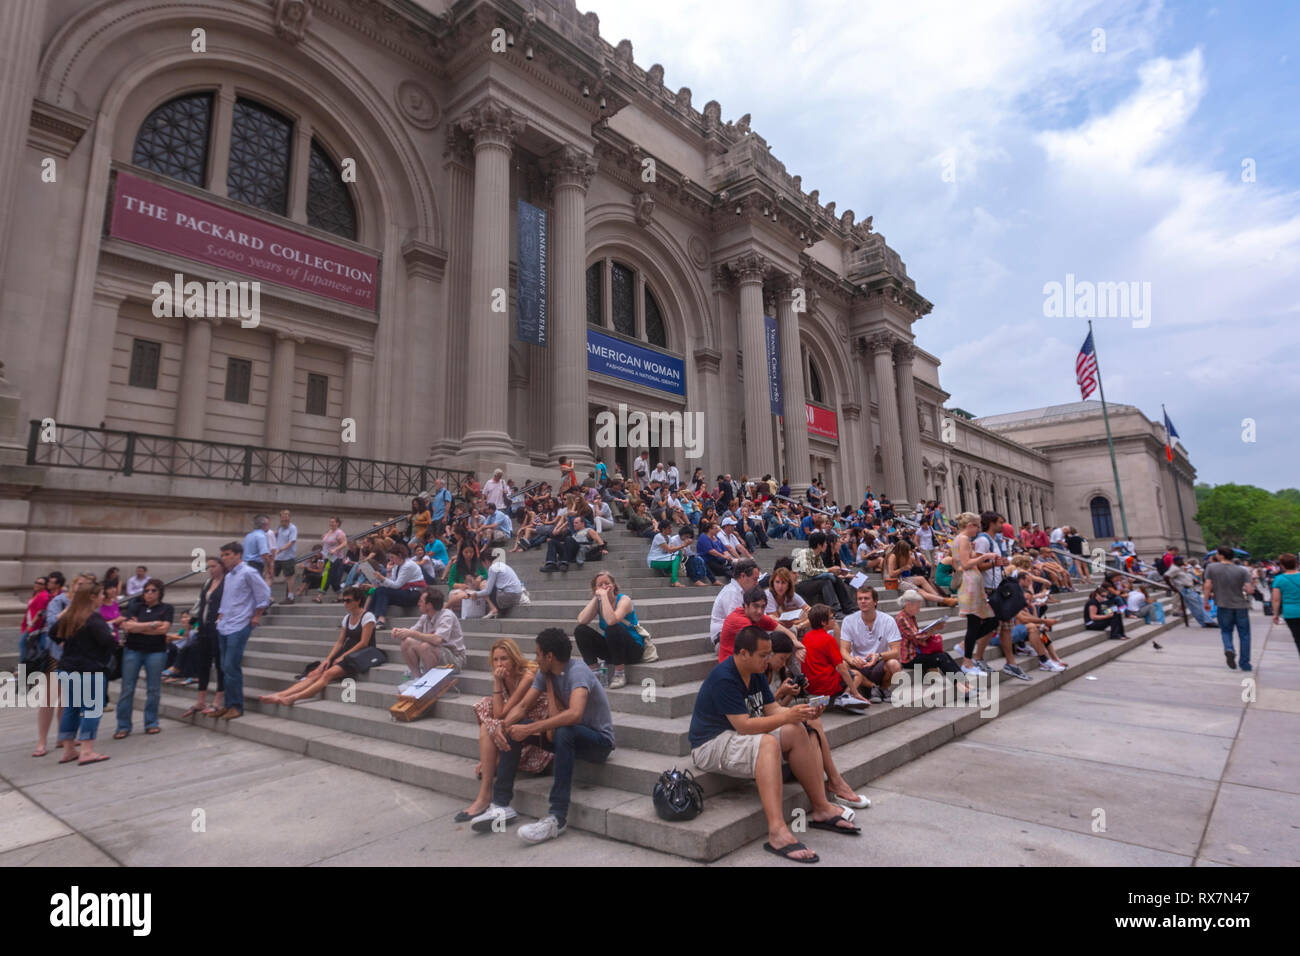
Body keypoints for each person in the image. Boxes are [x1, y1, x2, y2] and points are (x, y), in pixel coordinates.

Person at [689, 626, 859, 864]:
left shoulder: (756, 672)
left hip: (737, 737)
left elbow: (774, 710)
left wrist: (800, 713)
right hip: (710, 745)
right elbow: (745, 726)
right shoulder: (724, 677)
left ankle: (821, 807)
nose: (768, 660)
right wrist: (786, 717)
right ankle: (777, 831)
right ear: (743, 653)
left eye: (769, 654)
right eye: (763, 655)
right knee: (768, 743)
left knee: (798, 729)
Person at [470, 628, 616, 844]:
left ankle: (557, 817)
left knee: (563, 730)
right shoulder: (545, 672)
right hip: (562, 737)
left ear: (549, 656)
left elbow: (574, 714)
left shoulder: (578, 672)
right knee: (515, 728)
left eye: (538, 653)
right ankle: (501, 805)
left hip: (597, 743)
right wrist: (502, 726)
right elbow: (522, 707)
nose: (535, 658)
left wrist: (530, 729)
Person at [457, 639, 554, 821]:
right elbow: (498, 712)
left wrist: (497, 681)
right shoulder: (504, 676)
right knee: (486, 709)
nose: (500, 664)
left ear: (515, 658)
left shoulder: (527, 675)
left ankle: (487, 793)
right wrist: (499, 682)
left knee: (490, 724)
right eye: (495, 660)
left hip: (532, 728)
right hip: (512, 724)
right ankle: (486, 791)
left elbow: (501, 714)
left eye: (504, 659)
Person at [262, 586, 380, 706]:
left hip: (360, 654)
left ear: (358, 601)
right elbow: (340, 642)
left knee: (327, 675)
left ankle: (293, 698)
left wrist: (343, 656)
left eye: (348, 600)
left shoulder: (368, 616)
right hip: (347, 651)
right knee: (315, 673)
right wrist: (328, 659)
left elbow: (364, 643)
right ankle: (281, 694)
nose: (345, 603)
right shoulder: (347, 618)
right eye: (344, 600)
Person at [54, 581, 115, 766]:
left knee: (71, 708)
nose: (103, 597)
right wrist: (112, 637)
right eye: (101, 594)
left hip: (67, 668)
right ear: (92, 597)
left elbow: (52, 634)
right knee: (91, 709)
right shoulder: (93, 618)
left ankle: (68, 749)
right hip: (89, 669)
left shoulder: (69, 616)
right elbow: (107, 642)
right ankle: (87, 751)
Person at [214, 540, 272, 719]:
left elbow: (264, 594)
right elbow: (227, 599)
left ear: (238, 555)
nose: (224, 558)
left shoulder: (249, 572)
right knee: (224, 667)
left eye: (227, 555)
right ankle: (228, 704)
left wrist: (257, 616)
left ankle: (236, 706)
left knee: (231, 666)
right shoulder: (229, 575)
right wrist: (220, 616)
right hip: (225, 625)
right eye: (223, 555)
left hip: (240, 625)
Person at [113, 577, 175, 738]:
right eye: (146, 590)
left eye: (153, 590)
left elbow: (163, 630)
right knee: (127, 688)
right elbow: (127, 627)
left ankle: (151, 722)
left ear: (160, 592)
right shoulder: (135, 607)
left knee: (153, 689)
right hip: (133, 650)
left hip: (156, 652)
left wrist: (138, 627)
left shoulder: (166, 608)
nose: (149, 593)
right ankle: (123, 725)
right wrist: (152, 624)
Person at [574, 572, 647, 689]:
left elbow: (611, 621)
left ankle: (619, 674)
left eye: (607, 583)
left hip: (632, 650)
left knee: (612, 628)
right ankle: (595, 673)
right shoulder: (598, 602)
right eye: (600, 585)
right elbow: (581, 620)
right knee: (581, 630)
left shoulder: (624, 600)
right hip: (614, 649)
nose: (604, 587)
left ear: (614, 585)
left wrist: (603, 597)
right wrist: (596, 597)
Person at [840, 586, 903, 701]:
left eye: (866, 598)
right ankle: (873, 687)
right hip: (859, 664)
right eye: (860, 599)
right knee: (842, 663)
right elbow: (843, 650)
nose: (863, 601)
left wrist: (879, 656)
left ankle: (884, 688)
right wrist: (852, 660)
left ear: (875, 601)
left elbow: (896, 651)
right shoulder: (848, 620)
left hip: (878, 663)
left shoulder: (888, 620)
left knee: (894, 664)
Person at [800, 604, 870, 706]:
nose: (834, 620)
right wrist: (856, 692)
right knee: (857, 675)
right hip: (826, 685)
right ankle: (845, 696)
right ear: (823, 622)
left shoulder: (806, 637)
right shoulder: (828, 639)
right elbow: (841, 667)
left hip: (810, 686)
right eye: (832, 618)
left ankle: (871, 687)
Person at [391, 588, 466, 677]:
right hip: (436, 653)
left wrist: (412, 633)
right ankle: (417, 678)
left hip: (455, 659)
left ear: (429, 605)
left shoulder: (447, 616)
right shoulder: (425, 617)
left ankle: (432, 683)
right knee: (406, 642)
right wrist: (399, 631)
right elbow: (412, 632)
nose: (418, 604)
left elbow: (437, 639)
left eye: (421, 601)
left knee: (425, 646)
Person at [1204, 546, 1253, 671]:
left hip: (1223, 604)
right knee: (1245, 635)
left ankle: (1229, 648)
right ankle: (1245, 663)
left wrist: (1206, 601)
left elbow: (1207, 585)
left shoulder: (1211, 568)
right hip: (1240, 605)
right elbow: (1249, 589)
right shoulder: (1242, 570)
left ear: (1220, 555)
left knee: (1226, 631)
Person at [370, 543, 426, 626]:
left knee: (382, 591)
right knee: (378, 591)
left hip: (413, 594)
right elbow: (392, 581)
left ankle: (380, 618)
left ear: (399, 555)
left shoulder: (408, 565)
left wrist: (382, 578)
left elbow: (397, 585)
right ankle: (369, 616)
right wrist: (388, 572)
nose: (391, 560)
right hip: (404, 592)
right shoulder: (397, 565)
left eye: (392, 557)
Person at [710, 560, 760, 651]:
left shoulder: (742, 591)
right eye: (755, 579)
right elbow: (736, 623)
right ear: (743, 576)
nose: (757, 583)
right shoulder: (731, 592)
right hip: (724, 639)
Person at [463, 555, 526, 619]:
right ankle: (494, 609)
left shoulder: (492, 568)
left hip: (508, 596)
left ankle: (493, 609)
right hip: (517, 596)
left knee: (483, 585)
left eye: (482, 564)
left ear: (486, 561)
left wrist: (475, 594)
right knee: (486, 584)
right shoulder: (501, 564)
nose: (483, 567)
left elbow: (487, 591)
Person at [1270, 553, 1300, 657]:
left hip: (1291, 613)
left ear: (1282, 565)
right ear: (1296, 563)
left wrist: (1275, 614)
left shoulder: (1279, 579)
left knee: (1298, 639)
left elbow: (1276, 599)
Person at [765, 566, 810, 635]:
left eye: (783, 583)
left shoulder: (792, 595)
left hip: (791, 625)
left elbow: (812, 612)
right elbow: (779, 623)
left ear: (788, 585)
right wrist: (799, 621)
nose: (780, 586)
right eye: (777, 582)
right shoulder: (768, 595)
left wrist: (799, 624)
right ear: (772, 583)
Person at [647, 523, 689, 587]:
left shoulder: (669, 537)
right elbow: (669, 550)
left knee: (678, 553)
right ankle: (674, 580)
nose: (671, 530)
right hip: (654, 560)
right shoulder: (658, 536)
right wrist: (683, 545)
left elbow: (673, 548)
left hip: (663, 558)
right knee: (675, 557)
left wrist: (682, 549)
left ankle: (668, 572)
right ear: (663, 529)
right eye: (669, 528)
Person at [318, 516, 348, 601]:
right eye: (330, 522)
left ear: (337, 523)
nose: (331, 524)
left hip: (336, 559)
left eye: (333, 522)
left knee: (327, 576)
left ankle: (320, 596)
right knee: (333, 578)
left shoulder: (339, 533)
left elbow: (344, 543)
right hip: (327, 557)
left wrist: (335, 549)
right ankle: (340, 596)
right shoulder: (329, 532)